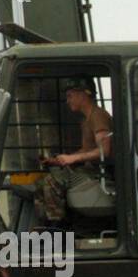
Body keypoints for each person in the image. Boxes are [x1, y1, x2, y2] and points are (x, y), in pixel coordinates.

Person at [33, 81, 113, 226]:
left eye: (70, 96)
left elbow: (105, 151)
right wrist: (60, 160)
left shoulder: (98, 116)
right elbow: (86, 149)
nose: (67, 100)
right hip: (88, 170)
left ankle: (57, 226)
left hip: (98, 174)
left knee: (50, 183)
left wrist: (74, 158)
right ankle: (45, 224)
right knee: (41, 182)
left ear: (84, 94)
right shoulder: (86, 119)